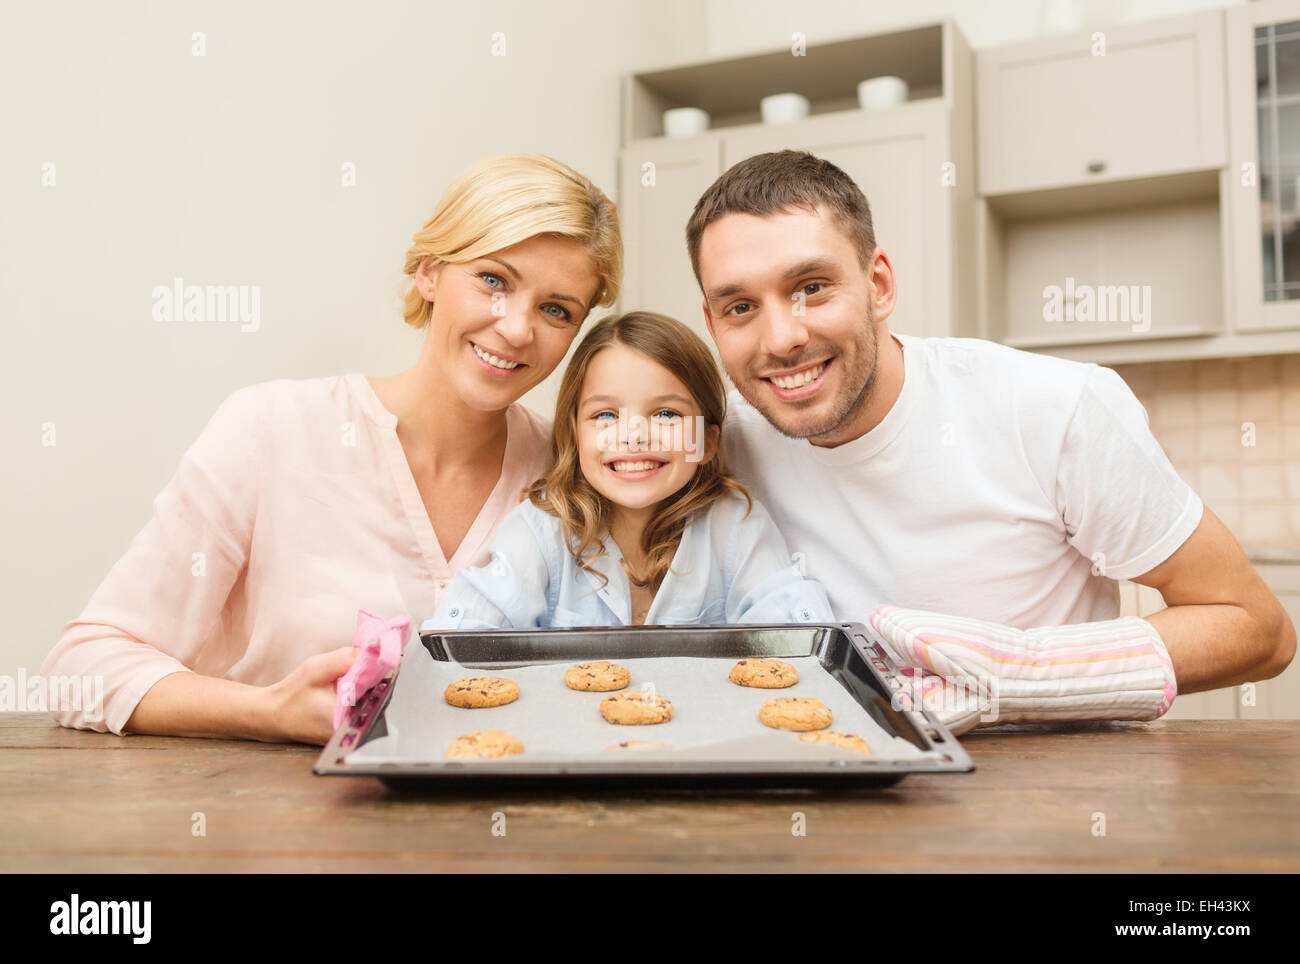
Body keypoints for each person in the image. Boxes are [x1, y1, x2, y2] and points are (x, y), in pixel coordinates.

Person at [685, 149, 1296, 731]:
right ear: (712, 325)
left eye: (812, 286)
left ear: (879, 286)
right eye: (740, 306)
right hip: (838, 797)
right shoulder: (720, 446)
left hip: (1061, 800)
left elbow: (1260, 631)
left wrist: (1026, 676)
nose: (782, 337)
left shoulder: (1055, 408)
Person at [42, 153, 623, 745]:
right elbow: (81, 668)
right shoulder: (270, 429)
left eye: (556, 310)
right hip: (273, 821)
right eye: (494, 280)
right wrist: (270, 711)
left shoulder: (576, 471)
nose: (517, 328)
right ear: (429, 272)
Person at [423, 311, 834, 632]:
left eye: (667, 413)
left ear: (707, 441)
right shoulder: (542, 529)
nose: (634, 436)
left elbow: (798, 631)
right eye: (605, 414)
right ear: (575, 436)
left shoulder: (734, 524)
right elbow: (464, 632)